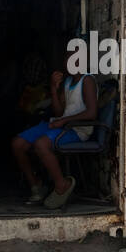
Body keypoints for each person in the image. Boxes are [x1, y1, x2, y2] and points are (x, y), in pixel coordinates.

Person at [11, 50, 98, 210]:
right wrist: (53, 87)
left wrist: (64, 121)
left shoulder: (87, 80)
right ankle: (37, 186)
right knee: (18, 144)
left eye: (74, 59)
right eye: (67, 59)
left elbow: (92, 113)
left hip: (77, 130)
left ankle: (61, 184)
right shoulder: (67, 82)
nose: (69, 63)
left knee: (41, 144)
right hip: (61, 124)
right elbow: (59, 112)